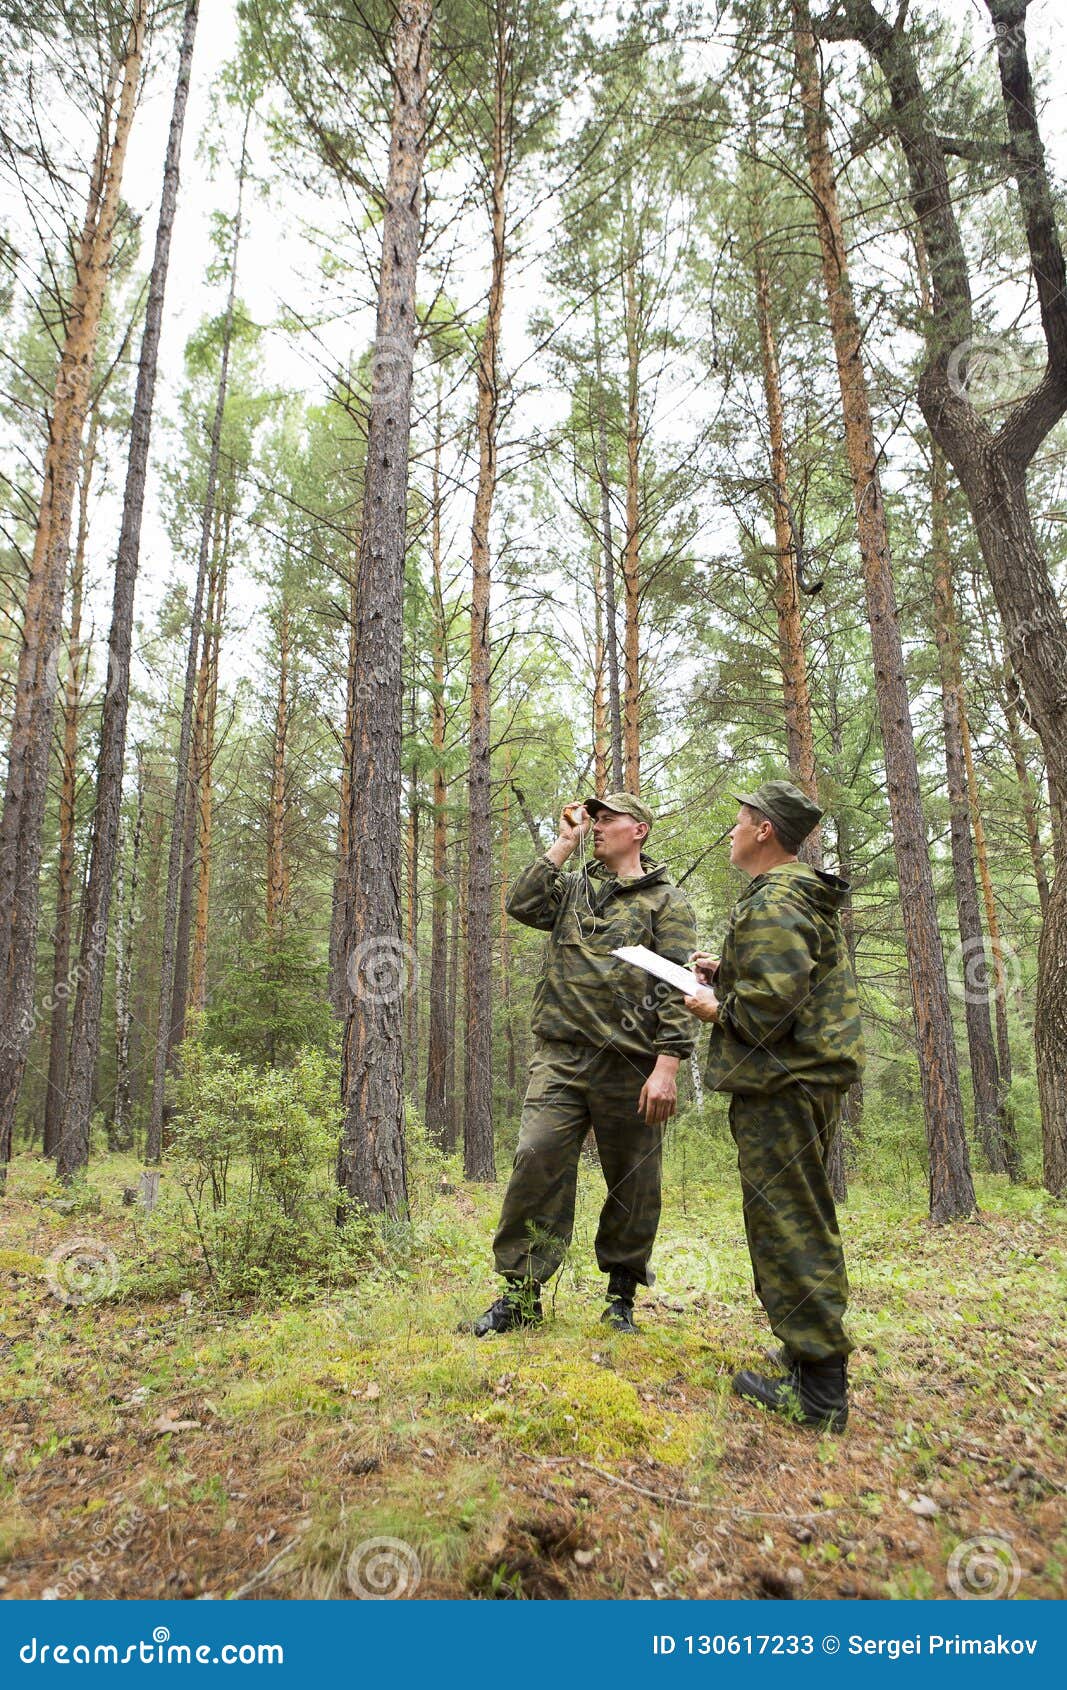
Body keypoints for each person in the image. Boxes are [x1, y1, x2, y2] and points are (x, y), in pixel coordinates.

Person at [465, 792, 697, 1337]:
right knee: (535, 1159)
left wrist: (667, 1067)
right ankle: (521, 1295)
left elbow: (681, 987)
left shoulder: (667, 903)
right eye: (592, 820)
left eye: (606, 820)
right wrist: (564, 842)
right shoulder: (573, 890)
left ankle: (620, 1298)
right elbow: (522, 904)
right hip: (561, 1057)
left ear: (637, 830)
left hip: (632, 1064)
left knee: (634, 1181)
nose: (596, 827)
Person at [684, 780, 864, 1432]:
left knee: (787, 1223)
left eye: (738, 820)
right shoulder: (789, 896)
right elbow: (788, 981)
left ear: (764, 830)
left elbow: (770, 1006)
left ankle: (818, 1393)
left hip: (782, 1083)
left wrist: (714, 1006)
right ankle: (804, 1357)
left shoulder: (776, 898)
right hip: (797, 1079)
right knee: (795, 1217)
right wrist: (724, 972)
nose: (730, 829)